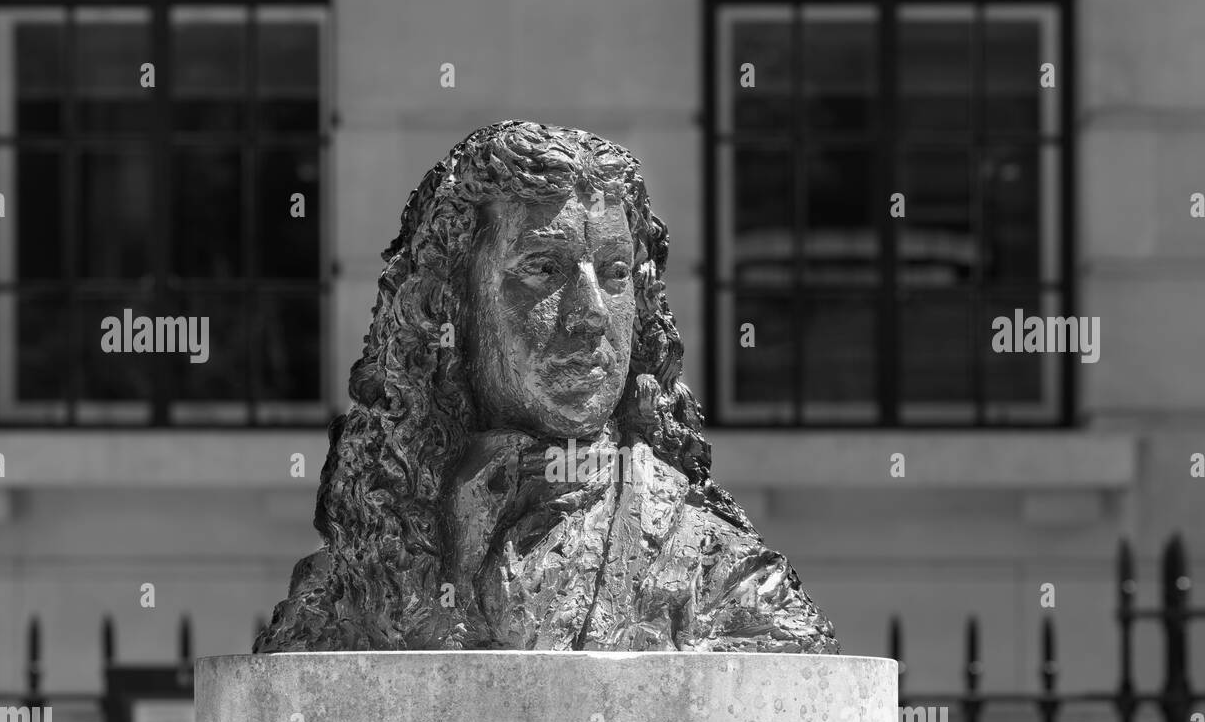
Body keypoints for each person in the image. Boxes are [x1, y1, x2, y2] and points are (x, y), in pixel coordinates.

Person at [255, 121, 838, 654]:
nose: (591, 314)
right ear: (450, 303)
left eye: (614, 273)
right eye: (543, 269)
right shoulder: (350, 581)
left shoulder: (724, 581)